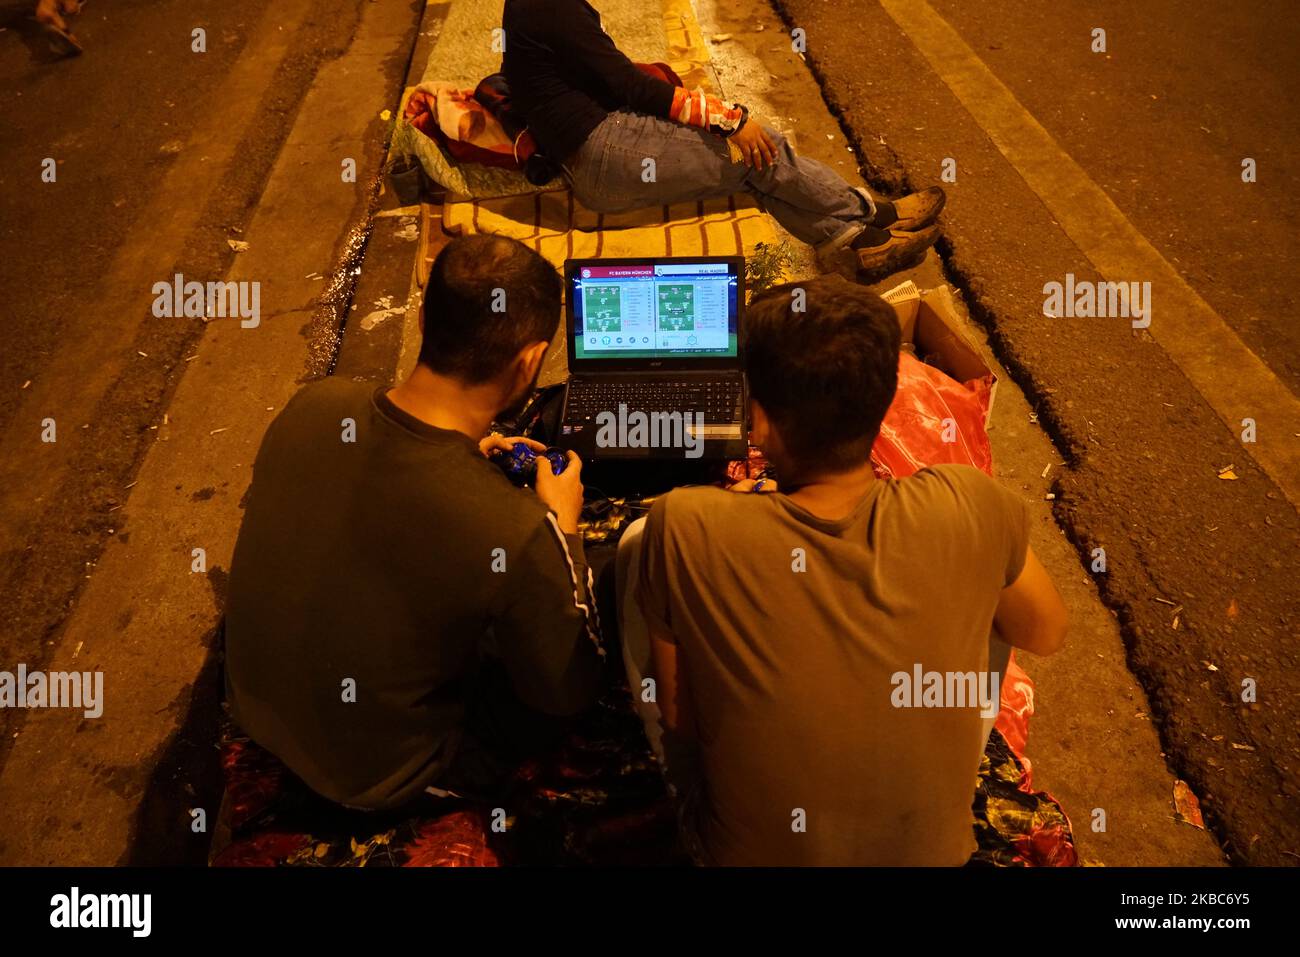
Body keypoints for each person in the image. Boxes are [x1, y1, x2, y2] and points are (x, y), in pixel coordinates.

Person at [615, 275, 1068, 865]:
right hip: (934, 854)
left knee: (634, 543)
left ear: (761, 425)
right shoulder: (970, 503)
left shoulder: (684, 524)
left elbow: (681, 716)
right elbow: (1045, 633)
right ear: (885, 402)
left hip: (739, 852)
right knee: (992, 585)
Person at [224, 233, 604, 811]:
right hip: (374, 776)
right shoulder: (516, 529)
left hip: (254, 710)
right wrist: (562, 531)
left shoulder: (316, 403)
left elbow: (392, 504)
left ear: (424, 318)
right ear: (530, 361)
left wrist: (465, 465)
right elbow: (563, 693)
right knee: (591, 605)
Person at [502, 0, 946, 278]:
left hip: (597, 151)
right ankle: (875, 212)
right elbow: (630, 87)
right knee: (757, 149)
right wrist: (731, 119)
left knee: (751, 174)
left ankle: (860, 242)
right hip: (605, 151)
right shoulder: (551, 7)